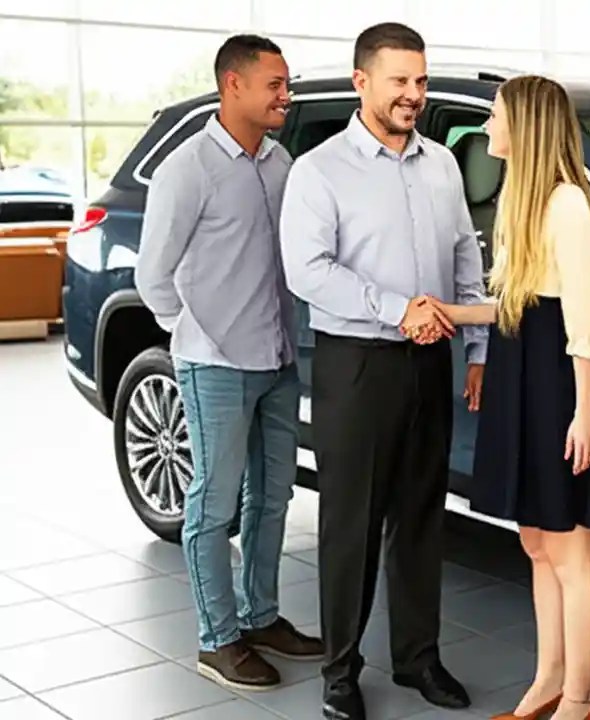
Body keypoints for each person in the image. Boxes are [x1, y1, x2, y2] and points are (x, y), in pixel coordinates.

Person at [277, 21, 487, 720]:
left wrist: (476, 349)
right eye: (400, 81)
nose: (414, 95)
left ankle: (418, 660)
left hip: (431, 361)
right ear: (361, 81)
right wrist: (398, 309)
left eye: (421, 80)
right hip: (358, 366)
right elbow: (308, 273)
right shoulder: (320, 170)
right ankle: (340, 671)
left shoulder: (442, 164)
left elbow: (464, 255)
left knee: (422, 519)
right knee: (352, 525)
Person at [134, 34, 323, 691]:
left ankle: (261, 617)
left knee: (273, 497)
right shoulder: (186, 170)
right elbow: (153, 276)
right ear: (233, 86)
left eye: (286, 83)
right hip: (214, 364)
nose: (285, 96)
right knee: (213, 507)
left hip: (276, 359)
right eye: (274, 84)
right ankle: (218, 640)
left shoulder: (279, 163)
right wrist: (199, 336)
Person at [425, 74, 590, 720]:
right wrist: (450, 311)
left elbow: (583, 322)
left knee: (570, 548)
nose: (487, 130)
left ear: (525, 127)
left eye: (497, 117)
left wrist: (584, 413)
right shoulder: (518, 201)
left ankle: (581, 702)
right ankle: (549, 680)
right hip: (518, 373)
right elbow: (513, 306)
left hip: (558, 386)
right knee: (535, 541)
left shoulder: (567, 206)